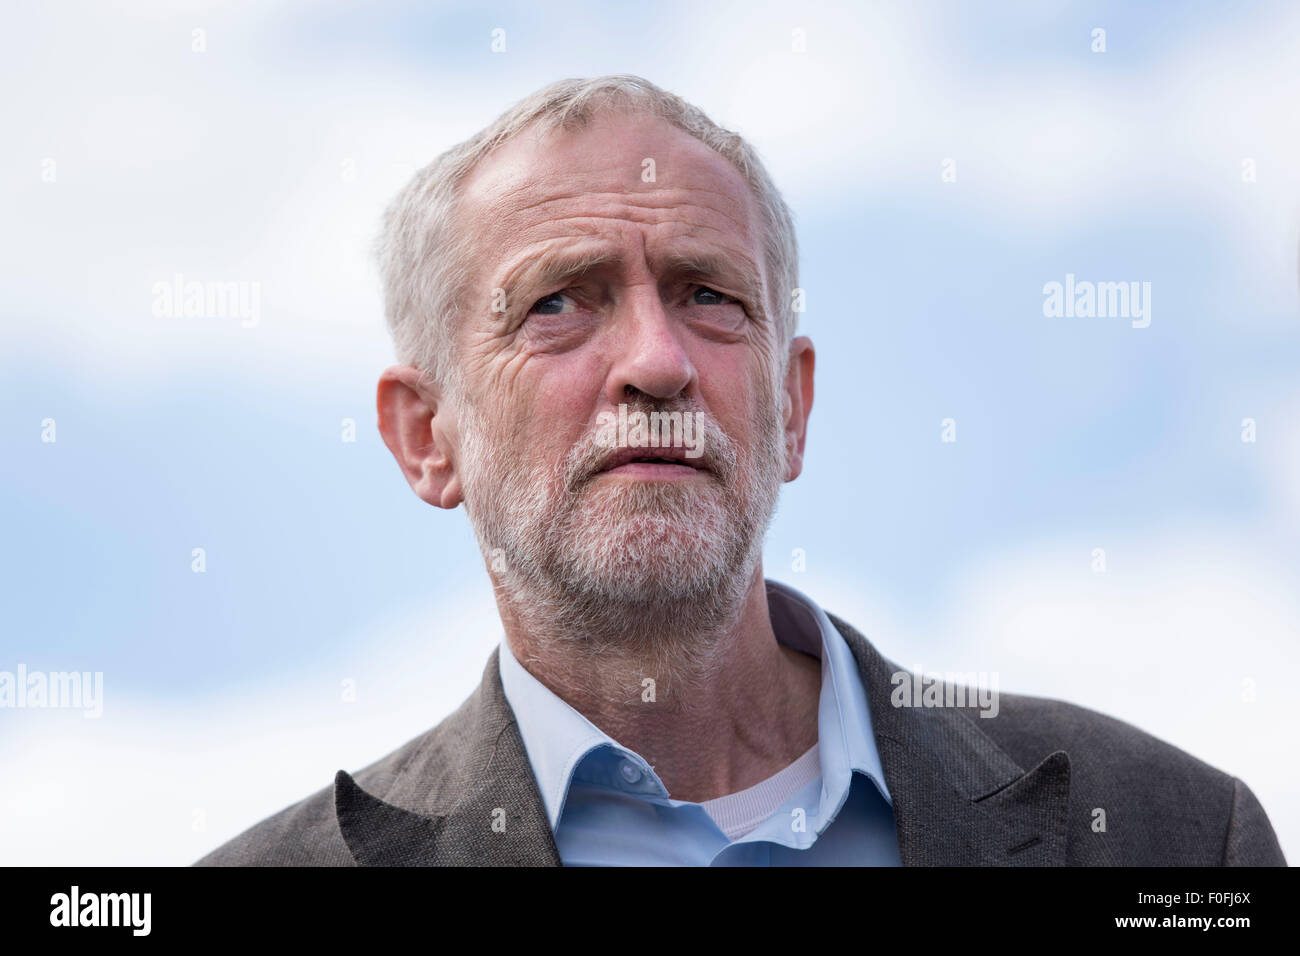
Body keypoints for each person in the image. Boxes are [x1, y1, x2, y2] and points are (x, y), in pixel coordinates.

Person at [195, 75, 1285, 866]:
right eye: (557, 302)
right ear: (426, 435)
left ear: (791, 405)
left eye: (709, 295)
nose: (657, 363)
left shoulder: (1170, 834)